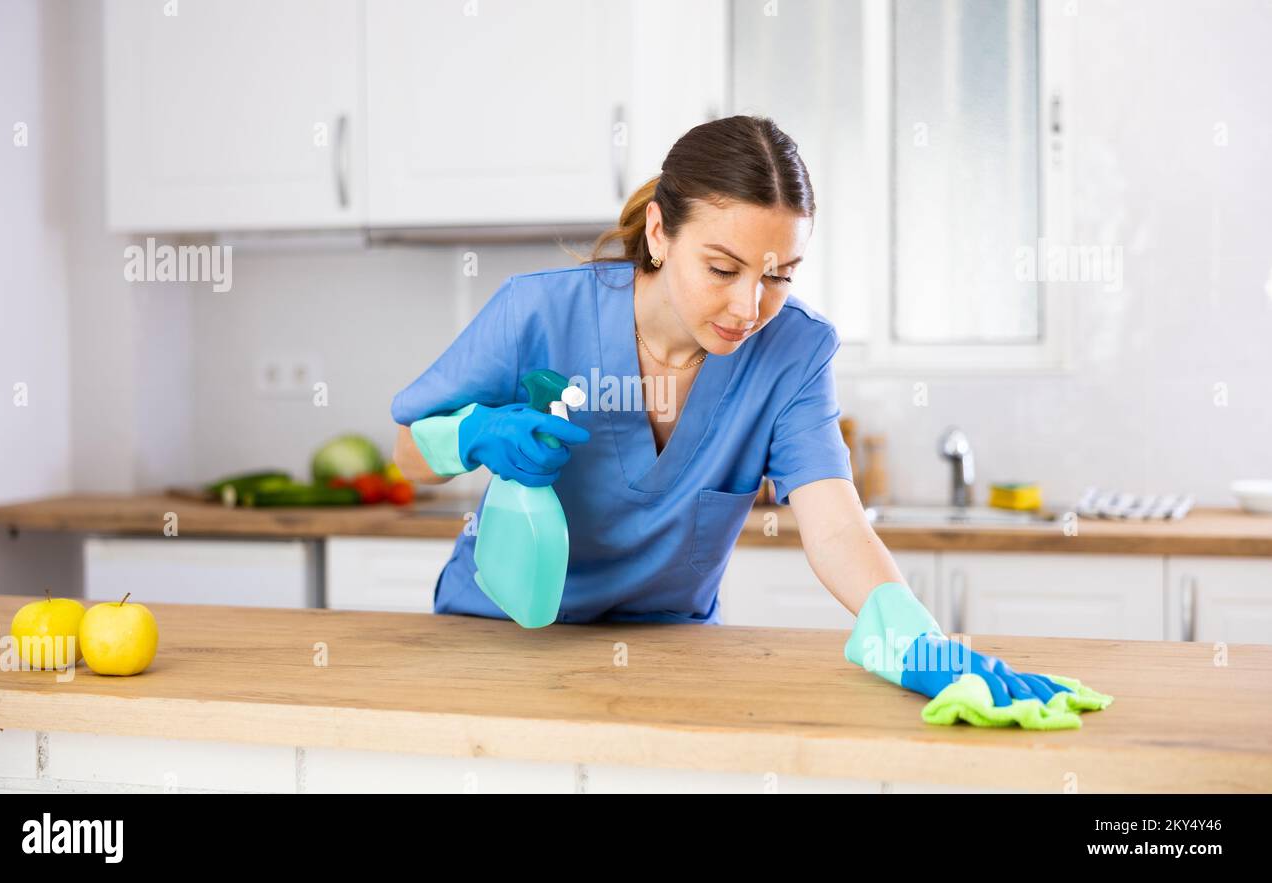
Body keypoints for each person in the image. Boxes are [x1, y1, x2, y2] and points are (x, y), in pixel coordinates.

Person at [390, 115, 1072, 708]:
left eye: (779, 275)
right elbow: (406, 454)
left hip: (672, 657)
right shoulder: (536, 311)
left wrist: (914, 635)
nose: (750, 309)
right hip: (496, 638)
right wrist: (472, 434)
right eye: (722, 269)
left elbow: (835, 525)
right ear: (660, 233)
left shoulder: (794, 351)